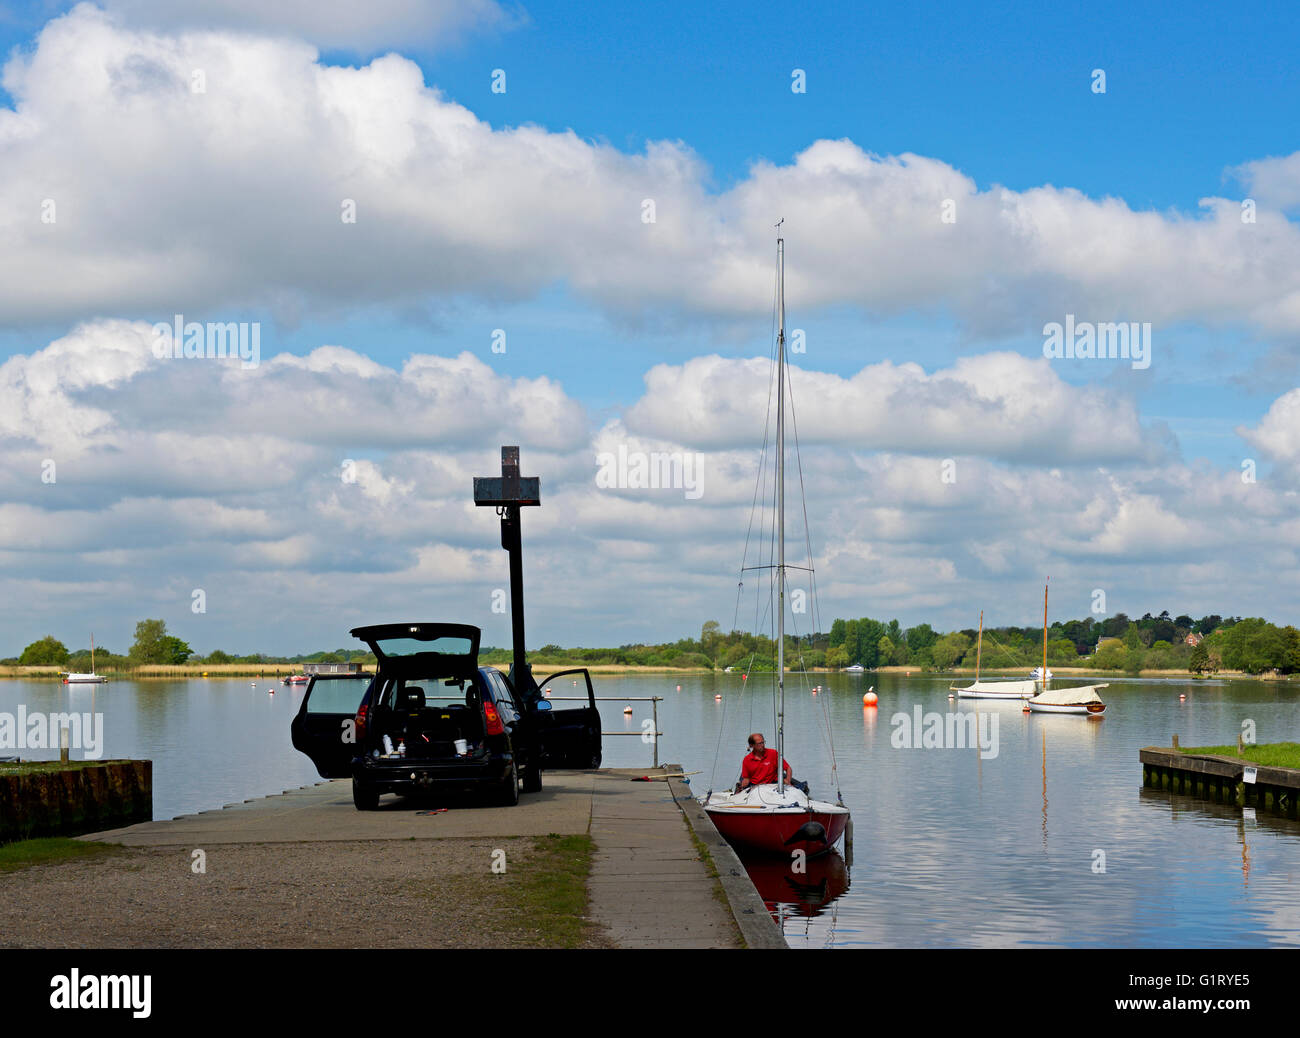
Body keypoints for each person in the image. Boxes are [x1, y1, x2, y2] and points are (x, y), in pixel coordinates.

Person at [736, 733, 809, 793]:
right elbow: (746, 779)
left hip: (772, 784)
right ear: (752, 745)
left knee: (799, 788)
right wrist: (742, 787)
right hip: (756, 787)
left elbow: (788, 768)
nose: (763, 745)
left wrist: (788, 781)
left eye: (763, 742)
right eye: (759, 743)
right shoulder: (747, 759)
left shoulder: (773, 753)